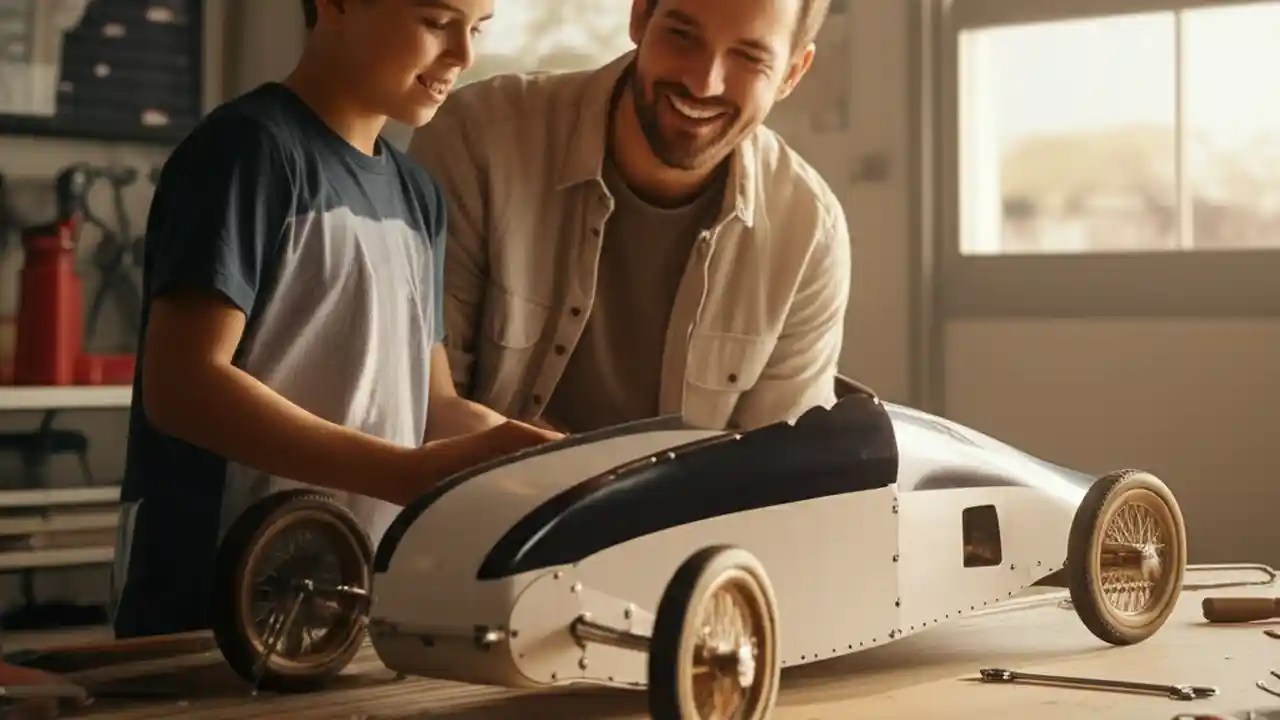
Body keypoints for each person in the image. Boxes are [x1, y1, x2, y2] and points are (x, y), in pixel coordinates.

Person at [110, 0, 561, 640]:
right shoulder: (249, 152)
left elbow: (430, 404)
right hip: (216, 607)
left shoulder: (417, 195)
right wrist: (402, 473)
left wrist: (533, 456)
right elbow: (183, 387)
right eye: (437, 23)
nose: (464, 55)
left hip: (345, 603)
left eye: (479, 29)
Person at [409, 0, 851, 435]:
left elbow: (779, 473)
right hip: (484, 504)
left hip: (690, 509)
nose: (703, 83)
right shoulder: (478, 138)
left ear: (792, 72)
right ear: (640, 15)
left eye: (749, 57)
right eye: (682, 35)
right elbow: (422, 411)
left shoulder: (809, 231)